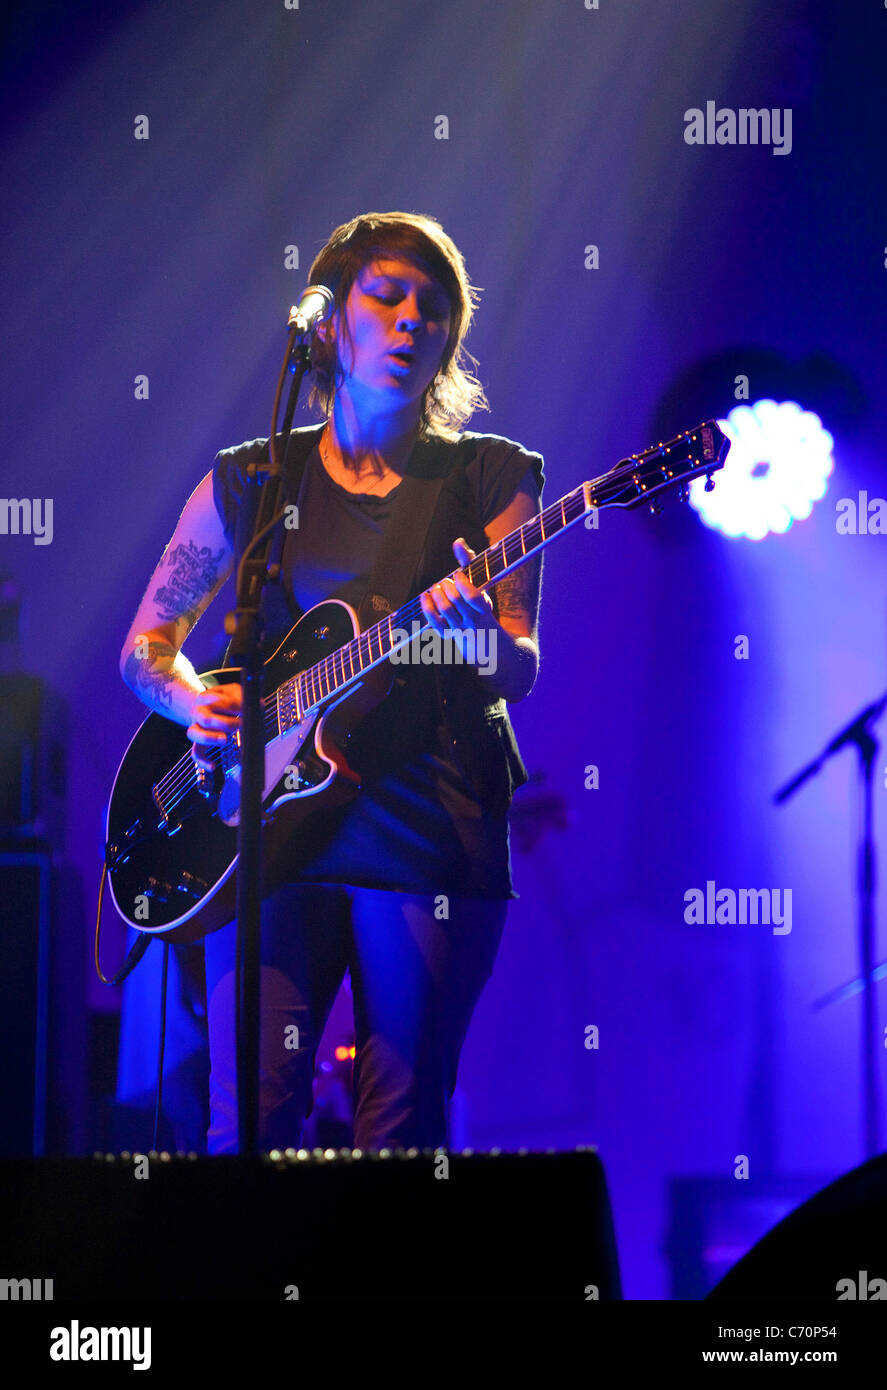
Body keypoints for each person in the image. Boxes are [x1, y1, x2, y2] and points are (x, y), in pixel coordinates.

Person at [119, 211, 544, 1154]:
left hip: (427, 818)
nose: (407, 323)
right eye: (385, 299)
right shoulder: (253, 479)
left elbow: (519, 664)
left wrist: (474, 640)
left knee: (398, 1123)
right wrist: (196, 701)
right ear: (327, 325)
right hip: (267, 824)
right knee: (247, 1121)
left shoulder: (491, 478)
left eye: (430, 312)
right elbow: (146, 647)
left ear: (448, 343)